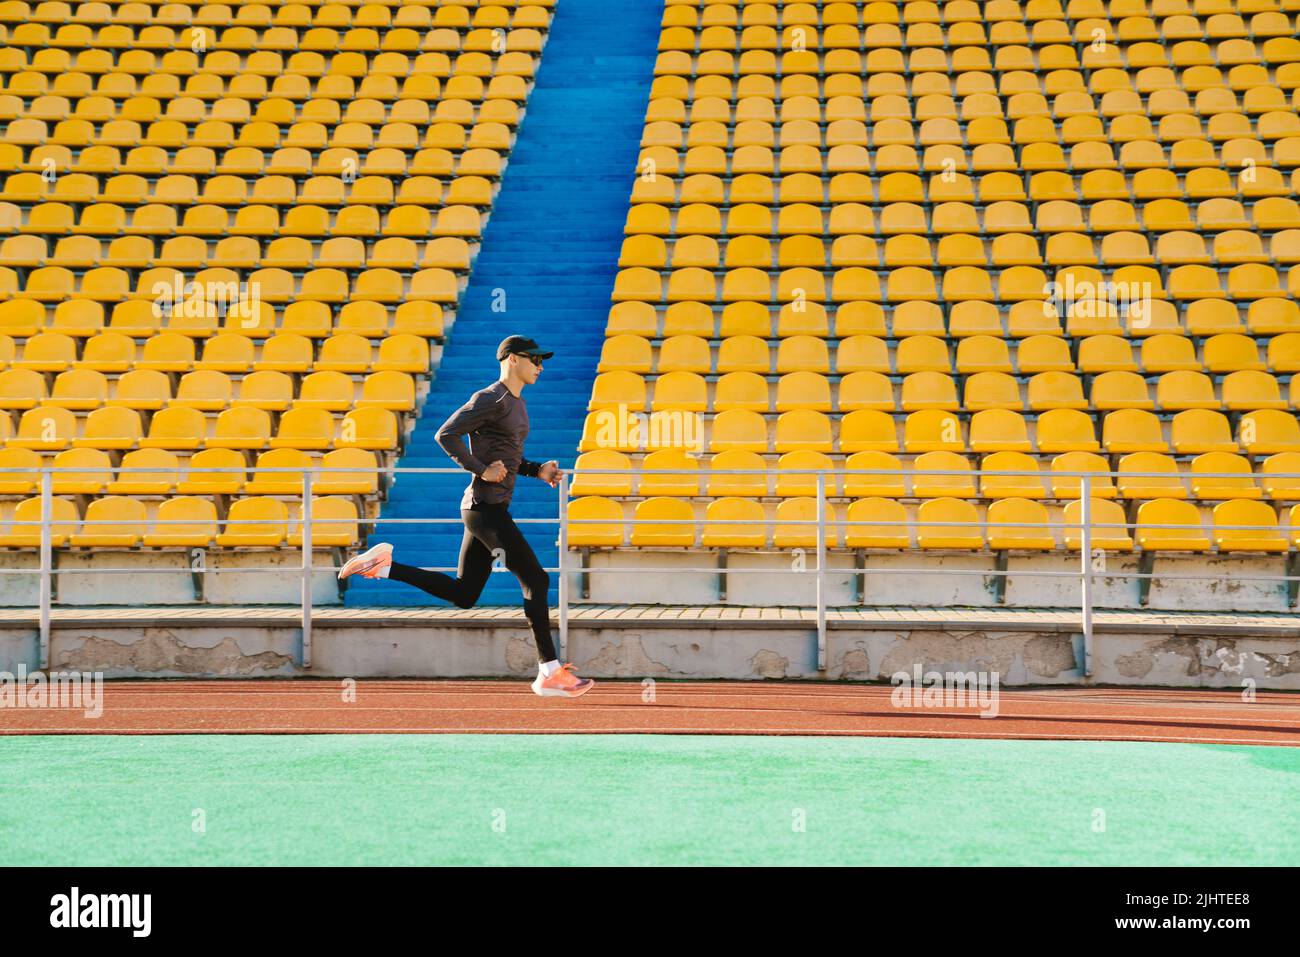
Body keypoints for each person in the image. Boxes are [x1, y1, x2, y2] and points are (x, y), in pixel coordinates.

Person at [338, 335, 594, 698]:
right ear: (511, 359)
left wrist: (537, 470)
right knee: (535, 579)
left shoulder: (517, 403)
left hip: (487, 509)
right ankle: (548, 672)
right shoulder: (491, 398)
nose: (540, 366)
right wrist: (479, 469)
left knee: (465, 594)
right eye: (534, 358)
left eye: (542, 359)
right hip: (484, 509)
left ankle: (382, 567)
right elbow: (447, 435)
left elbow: (506, 456)